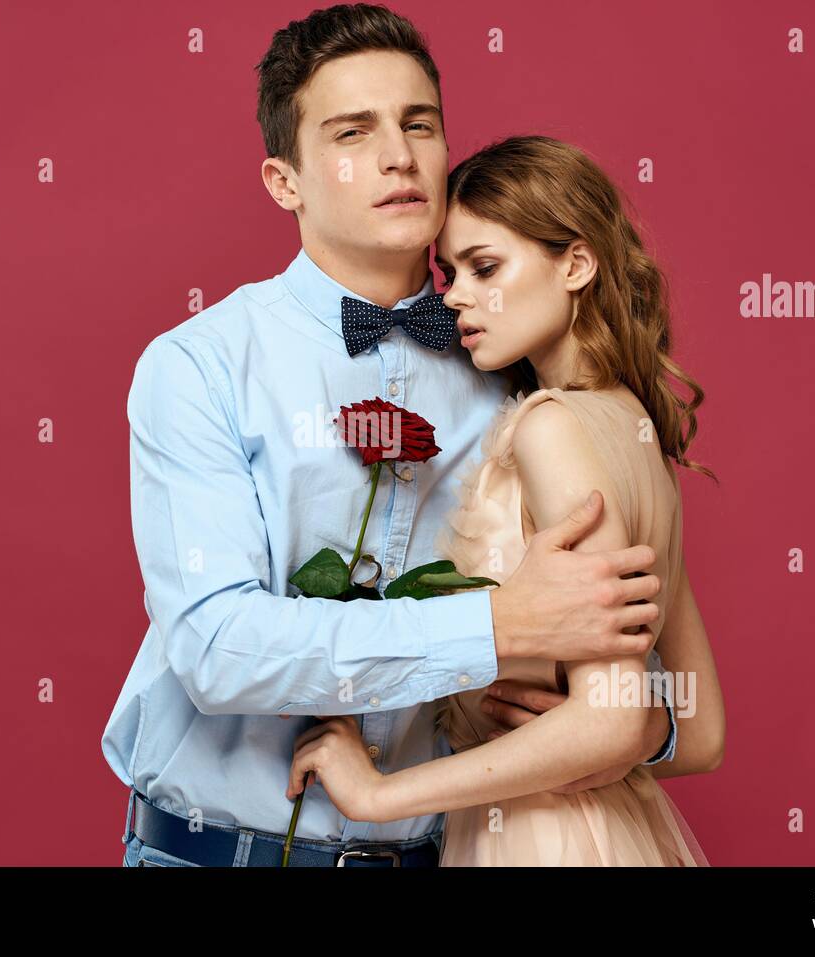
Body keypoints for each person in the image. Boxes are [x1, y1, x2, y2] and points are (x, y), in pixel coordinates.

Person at [105, 3, 703, 869]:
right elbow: (216, 647)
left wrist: (637, 724)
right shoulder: (198, 366)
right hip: (209, 854)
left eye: (419, 123)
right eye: (353, 132)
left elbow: (637, 668)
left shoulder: (518, 373)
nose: (399, 155)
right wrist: (499, 623)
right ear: (286, 181)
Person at [285, 135, 725, 865]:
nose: (454, 294)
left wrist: (379, 794)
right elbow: (700, 730)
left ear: (576, 264)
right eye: (450, 271)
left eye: (485, 267)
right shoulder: (636, 426)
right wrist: (637, 723)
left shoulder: (550, 428)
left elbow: (612, 722)